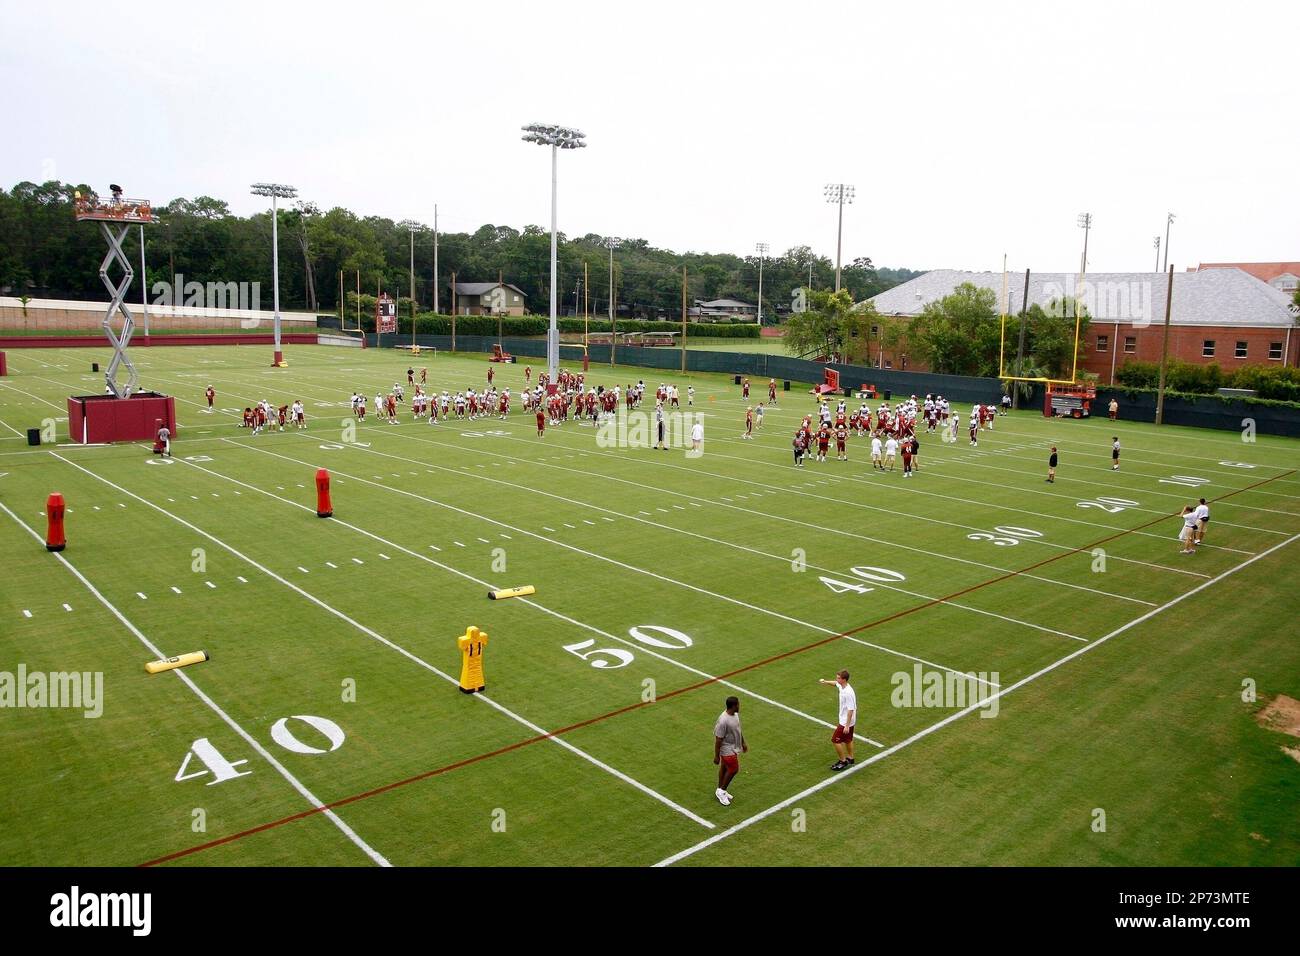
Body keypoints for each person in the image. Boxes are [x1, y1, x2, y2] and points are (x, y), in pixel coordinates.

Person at [819, 671, 856, 772]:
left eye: (839, 678)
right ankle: (851, 758)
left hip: (846, 721)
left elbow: (850, 710)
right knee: (848, 739)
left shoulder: (848, 692)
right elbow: (835, 684)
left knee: (835, 740)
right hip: (848, 720)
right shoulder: (842, 686)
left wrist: (847, 726)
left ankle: (842, 761)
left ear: (844, 680)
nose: (837, 680)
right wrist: (826, 682)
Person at [713, 696, 746, 806]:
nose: (739, 706)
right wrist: (717, 756)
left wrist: (743, 742)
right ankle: (722, 791)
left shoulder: (735, 715)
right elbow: (718, 739)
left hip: (734, 746)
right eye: (738, 704)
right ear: (733, 706)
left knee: (724, 767)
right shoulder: (723, 720)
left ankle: (720, 789)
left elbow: (738, 730)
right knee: (733, 769)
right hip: (726, 748)